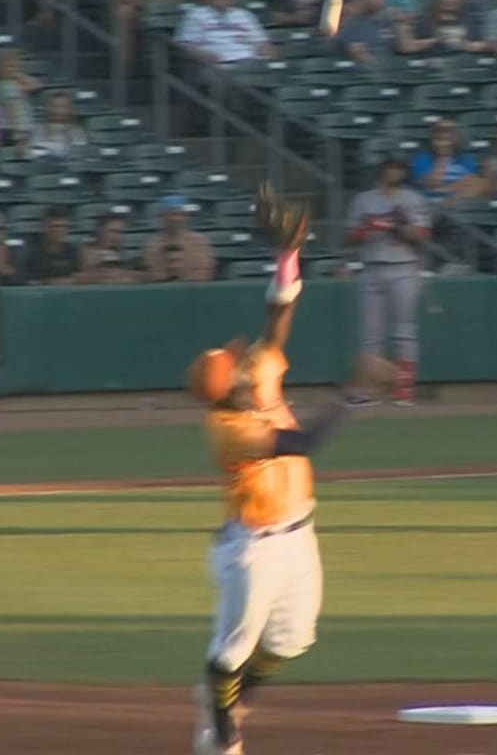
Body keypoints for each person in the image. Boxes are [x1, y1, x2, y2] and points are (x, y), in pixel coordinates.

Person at [186, 211, 396, 755]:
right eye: (233, 363)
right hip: (252, 549)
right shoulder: (227, 430)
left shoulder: (255, 371)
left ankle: (228, 699)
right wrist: (353, 392)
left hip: (298, 535)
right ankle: (223, 733)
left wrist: (286, 256)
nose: (244, 358)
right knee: (230, 651)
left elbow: (278, 315)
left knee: (291, 638)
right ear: (225, 386)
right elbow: (302, 445)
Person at [346, 159, 431, 406]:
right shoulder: (364, 200)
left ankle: (404, 388)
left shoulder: (413, 199)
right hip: (372, 268)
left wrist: (400, 226)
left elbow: (423, 235)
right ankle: (367, 389)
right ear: (381, 170)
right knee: (370, 334)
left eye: (399, 167)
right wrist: (368, 227)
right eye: (391, 167)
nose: (395, 171)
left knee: (405, 331)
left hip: (404, 268)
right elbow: (349, 238)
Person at [143, 194, 216, 281]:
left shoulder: (199, 242)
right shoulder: (152, 246)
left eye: (178, 214)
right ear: (161, 217)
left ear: (186, 216)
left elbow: (205, 271)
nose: (174, 219)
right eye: (170, 214)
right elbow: (152, 274)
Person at [78, 212, 147, 284]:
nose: (117, 237)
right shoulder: (89, 254)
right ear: (101, 231)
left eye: (120, 233)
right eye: (112, 231)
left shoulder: (126, 258)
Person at [24, 204, 82, 285]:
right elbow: (26, 281)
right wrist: (50, 283)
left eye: (63, 226)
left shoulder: (72, 251)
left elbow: (79, 276)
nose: (59, 231)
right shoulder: (31, 252)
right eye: (54, 226)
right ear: (44, 227)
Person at [33, 90, 89, 158]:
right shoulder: (36, 129)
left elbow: (79, 154)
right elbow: (33, 152)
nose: (59, 110)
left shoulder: (77, 132)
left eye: (63, 107)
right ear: (49, 108)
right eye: (56, 106)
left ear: (70, 109)